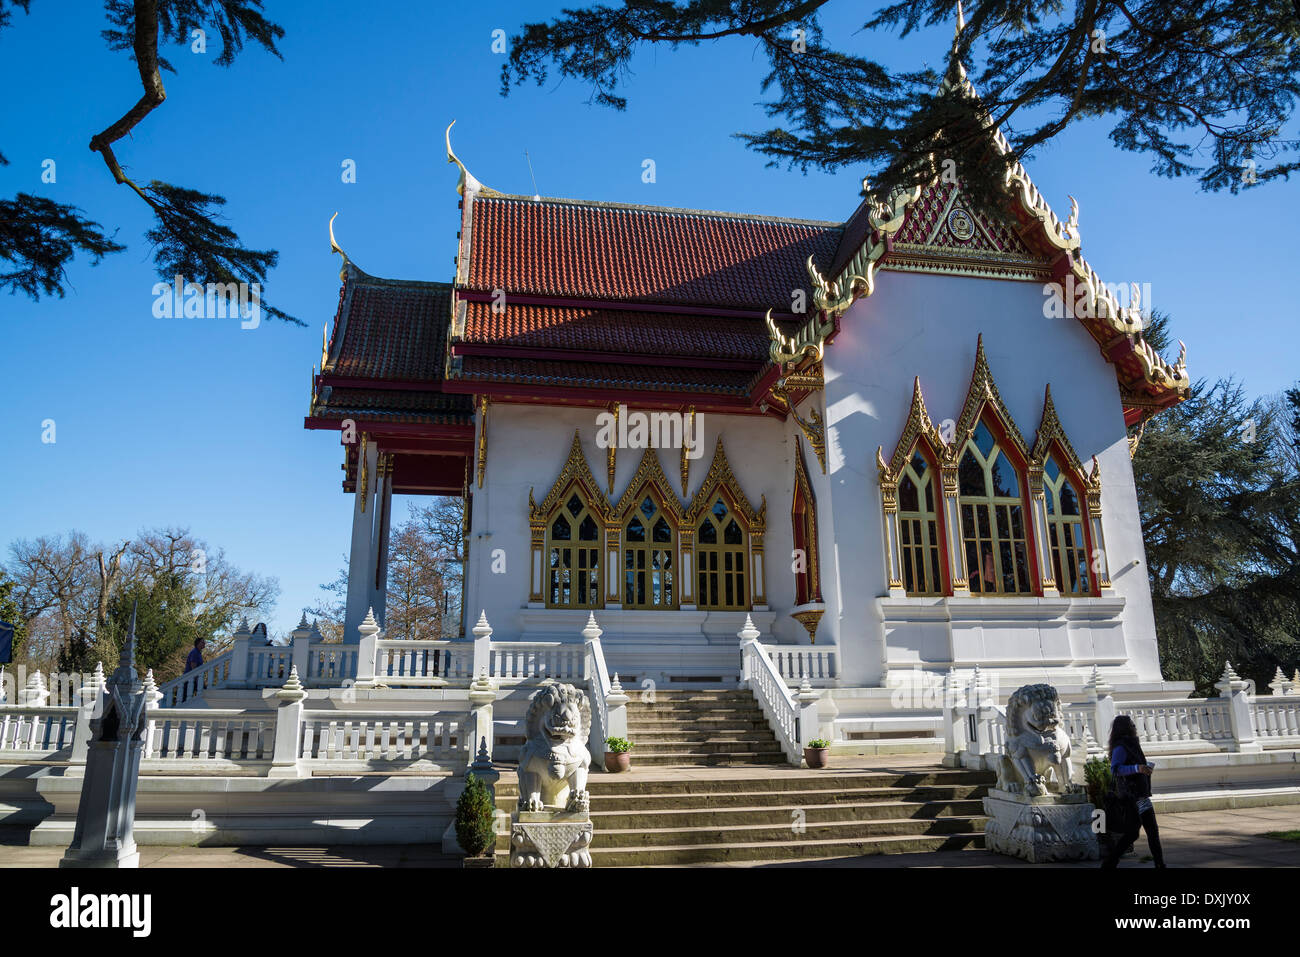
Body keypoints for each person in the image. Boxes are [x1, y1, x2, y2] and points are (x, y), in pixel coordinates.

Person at [1101, 714, 1166, 868]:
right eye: (1131, 724)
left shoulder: (1131, 744)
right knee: (1147, 832)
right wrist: (1138, 768)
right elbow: (1116, 769)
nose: (1134, 727)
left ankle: (1110, 862)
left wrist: (1144, 769)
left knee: (1138, 833)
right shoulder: (1121, 746)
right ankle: (1159, 865)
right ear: (1125, 727)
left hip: (1139, 795)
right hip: (1133, 797)